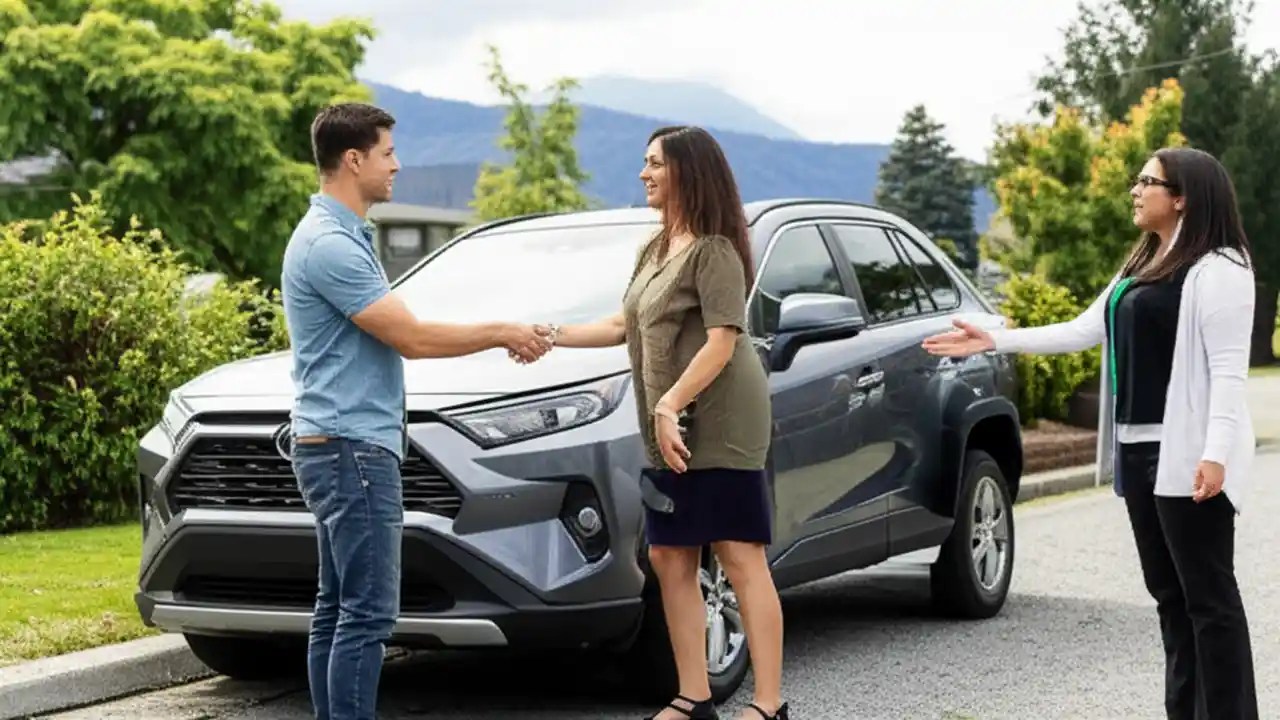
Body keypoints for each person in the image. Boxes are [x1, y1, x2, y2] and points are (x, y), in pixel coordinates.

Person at [922, 147, 1258, 719]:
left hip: (1185, 455)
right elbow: (1083, 329)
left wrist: (1216, 455)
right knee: (1171, 601)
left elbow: (1229, 372)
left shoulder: (1220, 268)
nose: (1135, 189)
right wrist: (995, 340)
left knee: (1211, 603)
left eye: (1147, 181)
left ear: (1181, 197)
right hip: (1137, 451)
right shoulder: (1144, 263)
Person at [281, 102, 551, 720]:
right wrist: (503, 331)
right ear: (354, 160)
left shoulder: (340, 234)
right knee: (368, 612)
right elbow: (413, 338)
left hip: (338, 445)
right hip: (351, 450)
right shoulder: (329, 245)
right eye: (387, 153)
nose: (397, 165)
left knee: (339, 606)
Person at [536, 126, 788, 720]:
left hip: (720, 419)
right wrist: (548, 335)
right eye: (643, 162)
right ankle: (693, 698)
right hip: (667, 421)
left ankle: (770, 706)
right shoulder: (653, 250)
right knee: (670, 556)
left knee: (737, 553)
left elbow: (724, 341)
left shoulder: (716, 250)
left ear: (687, 173)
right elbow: (621, 326)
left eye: (654, 164)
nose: (643, 174)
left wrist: (670, 403)